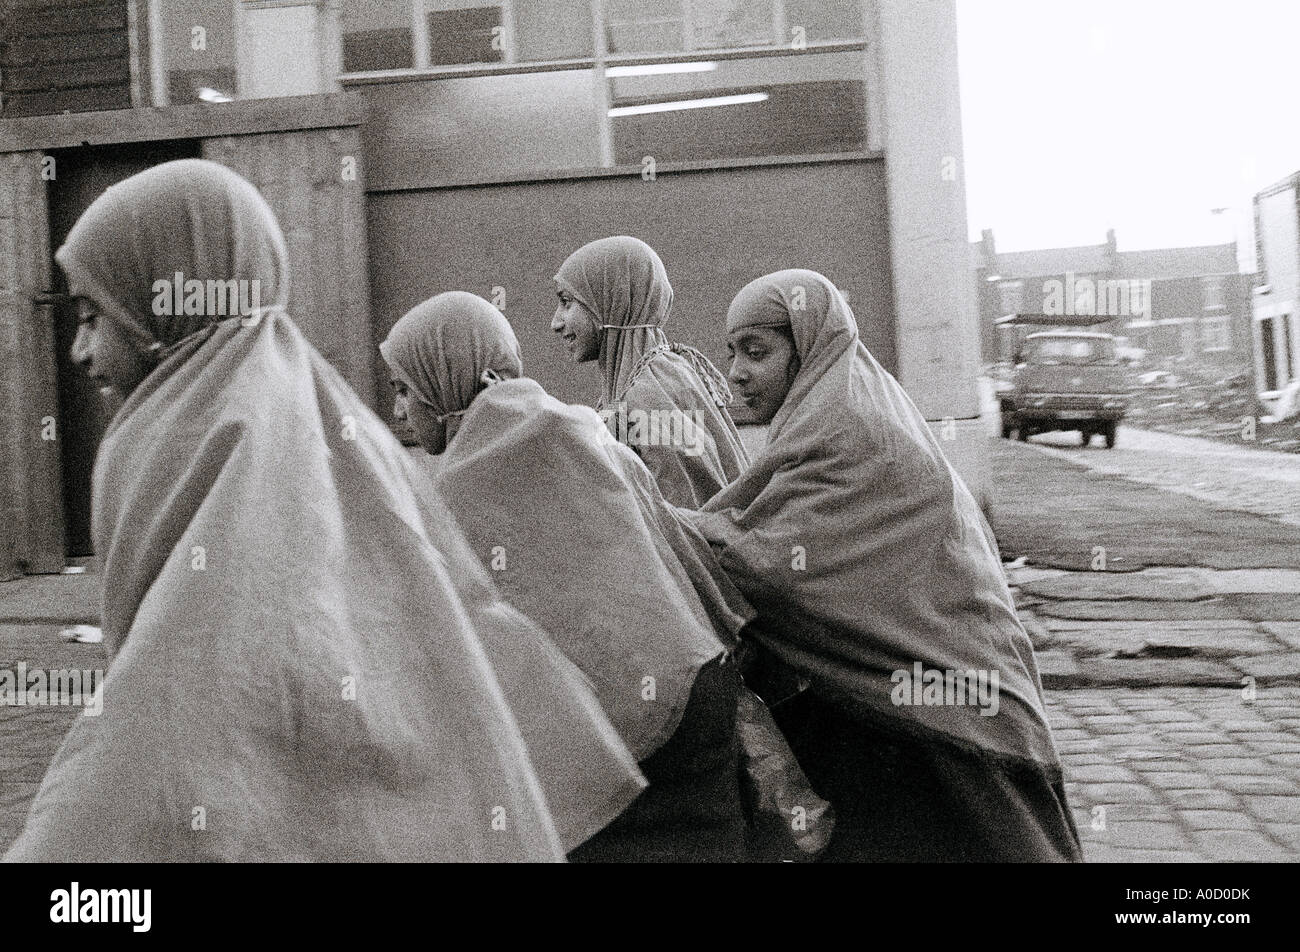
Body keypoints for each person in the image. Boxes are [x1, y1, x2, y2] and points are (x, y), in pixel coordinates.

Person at [3, 160, 645, 863]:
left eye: (95, 316)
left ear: (160, 307)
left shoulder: (204, 442)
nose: (80, 350)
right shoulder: (315, 413)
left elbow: (171, 722)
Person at [682, 269, 1083, 862]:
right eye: (732, 352)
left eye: (757, 351)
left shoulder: (849, 427)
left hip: (948, 705)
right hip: (895, 703)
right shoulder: (827, 414)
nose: (737, 372)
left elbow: (777, 568)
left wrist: (657, 523)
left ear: (811, 346)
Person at [381, 291, 753, 861]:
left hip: (619, 738)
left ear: (452, 378)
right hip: (699, 696)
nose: (399, 411)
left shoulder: (463, 484)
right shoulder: (587, 430)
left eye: (407, 388)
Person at [550, 236, 749, 507]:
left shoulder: (650, 393)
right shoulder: (645, 379)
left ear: (610, 301)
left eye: (566, 301)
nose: (556, 322)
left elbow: (684, 521)